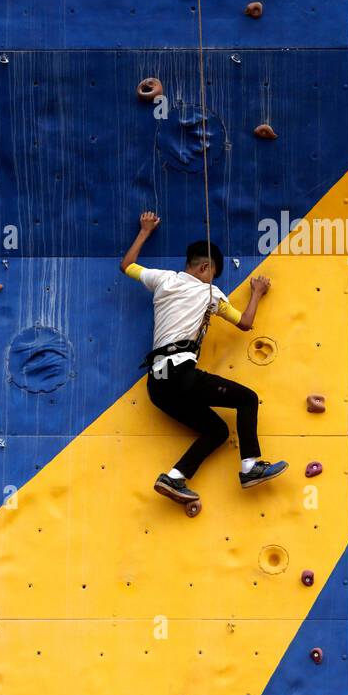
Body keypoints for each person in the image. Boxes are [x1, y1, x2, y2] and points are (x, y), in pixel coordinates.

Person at [120, 211, 288, 507]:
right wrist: (257, 293)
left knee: (217, 431)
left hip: (157, 386)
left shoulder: (163, 280)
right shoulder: (210, 292)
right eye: (212, 273)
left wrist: (145, 230)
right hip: (181, 372)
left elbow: (128, 266)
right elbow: (245, 323)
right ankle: (250, 466)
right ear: (205, 268)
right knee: (247, 399)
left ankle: (174, 477)